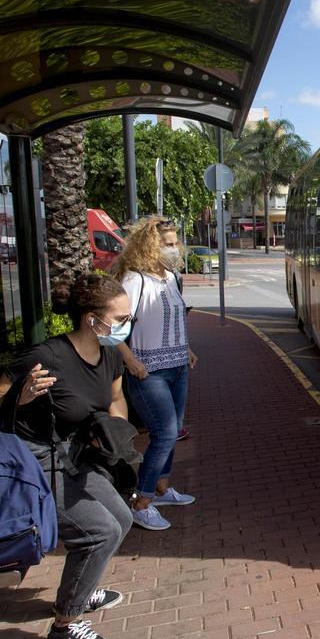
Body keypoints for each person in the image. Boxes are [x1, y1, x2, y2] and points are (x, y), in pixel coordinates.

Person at [0, 273, 134, 639]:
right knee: (100, 533)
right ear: (91, 319)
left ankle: (82, 588)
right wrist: (21, 395)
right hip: (33, 460)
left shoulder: (110, 353)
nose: (126, 326)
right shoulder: (46, 356)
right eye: (121, 319)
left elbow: (115, 398)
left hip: (74, 454)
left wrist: (117, 430)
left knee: (122, 517)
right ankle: (64, 629)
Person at [113, 217, 198, 532]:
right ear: (150, 246)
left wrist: (186, 348)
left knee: (173, 432)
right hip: (149, 371)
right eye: (168, 244)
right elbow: (114, 327)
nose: (174, 250)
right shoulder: (134, 280)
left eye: (176, 243)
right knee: (162, 434)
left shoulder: (171, 278)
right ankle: (141, 502)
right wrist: (129, 360)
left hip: (177, 367)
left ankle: (161, 488)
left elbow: (174, 319)